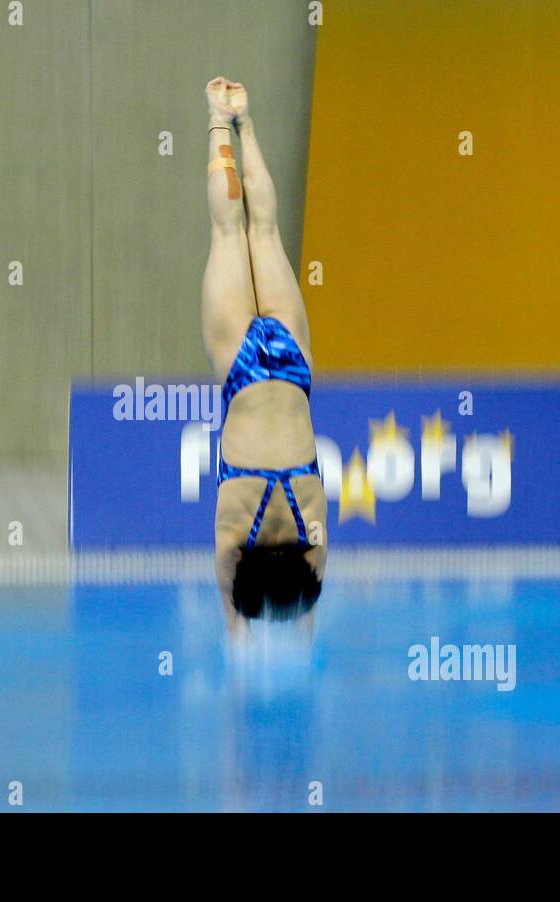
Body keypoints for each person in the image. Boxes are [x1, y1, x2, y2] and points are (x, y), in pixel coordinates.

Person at [201, 77, 326, 636]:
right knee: (230, 234)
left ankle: (243, 121)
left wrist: (304, 627)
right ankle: (216, 119)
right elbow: (225, 576)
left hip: (293, 367)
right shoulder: (235, 523)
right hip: (244, 372)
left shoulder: (312, 517)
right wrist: (238, 630)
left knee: (265, 231)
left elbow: (315, 583)